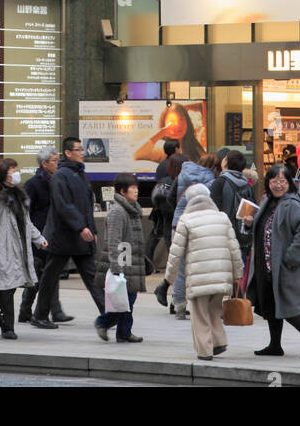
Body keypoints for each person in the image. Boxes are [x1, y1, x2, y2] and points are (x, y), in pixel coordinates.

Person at [245, 164, 300, 359]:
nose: (278, 185)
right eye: (274, 181)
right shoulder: (267, 202)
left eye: (282, 181)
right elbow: (266, 228)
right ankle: (275, 345)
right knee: (270, 304)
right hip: (266, 264)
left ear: (289, 183)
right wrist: (250, 224)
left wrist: (291, 257)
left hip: (283, 266)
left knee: (286, 304)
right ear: (268, 183)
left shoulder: (291, 204)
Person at [31, 137, 105, 329]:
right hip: (62, 237)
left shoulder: (81, 174)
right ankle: (39, 315)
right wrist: (81, 227)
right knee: (49, 277)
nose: (82, 153)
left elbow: (87, 206)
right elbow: (64, 206)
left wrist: (92, 229)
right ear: (68, 153)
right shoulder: (60, 176)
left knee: (92, 276)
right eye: (78, 150)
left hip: (80, 238)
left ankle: (109, 314)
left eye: (82, 149)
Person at [164, 182, 243, 361]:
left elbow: (176, 252)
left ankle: (205, 350)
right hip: (221, 276)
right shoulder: (222, 217)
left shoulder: (186, 220)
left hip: (198, 277)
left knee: (199, 314)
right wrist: (238, 274)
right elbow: (234, 248)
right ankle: (219, 341)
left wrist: (169, 277)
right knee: (214, 310)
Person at [0, 157, 47, 339]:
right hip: (4, 249)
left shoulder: (18, 194)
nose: (15, 173)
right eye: (12, 170)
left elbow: (26, 222)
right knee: (6, 288)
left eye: (16, 168)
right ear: (4, 174)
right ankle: (7, 327)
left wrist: (39, 239)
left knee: (11, 286)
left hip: (20, 249)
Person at [163, 152, 220, 318]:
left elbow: (170, 197)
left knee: (180, 267)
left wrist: (179, 211)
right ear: (214, 167)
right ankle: (201, 305)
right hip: (200, 225)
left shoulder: (182, 173)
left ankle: (179, 304)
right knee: (201, 266)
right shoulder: (211, 180)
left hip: (179, 223)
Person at [20, 146, 71, 323]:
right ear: (44, 164)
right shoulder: (33, 184)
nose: (58, 163)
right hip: (39, 234)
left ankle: (54, 311)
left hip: (53, 233)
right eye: (54, 161)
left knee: (51, 273)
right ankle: (26, 309)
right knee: (40, 276)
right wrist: (33, 235)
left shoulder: (57, 181)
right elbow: (25, 212)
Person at [94, 172, 146, 342]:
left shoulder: (131, 209)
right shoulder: (118, 212)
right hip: (122, 262)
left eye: (137, 187)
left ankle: (124, 332)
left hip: (130, 260)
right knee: (125, 300)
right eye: (132, 188)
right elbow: (113, 241)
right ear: (123, 192)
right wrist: (117, 267)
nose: (136, 190)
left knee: (129, 299)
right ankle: (103, 322)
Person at [210, 148, 256, 261]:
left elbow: (213, 209)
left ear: (225, 163)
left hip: (224, 238)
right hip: (242, 237)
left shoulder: (220, 183)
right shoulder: (247, 185)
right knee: (241, 273)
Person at [143, 138, 179, 276]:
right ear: (176, 149)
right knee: (167, 234)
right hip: (168, 205)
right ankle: (172, 266)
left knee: (156, 234)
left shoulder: (161, 165)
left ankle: (148, 263)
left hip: (159, 205)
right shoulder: (174, 164)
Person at [135, 101, 205, 164]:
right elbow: (136, 154)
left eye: (181, 119)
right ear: (164, 124)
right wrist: (161, 133)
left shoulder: (193, 146)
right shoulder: (162, 147)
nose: (178, 125)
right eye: (172, 121)